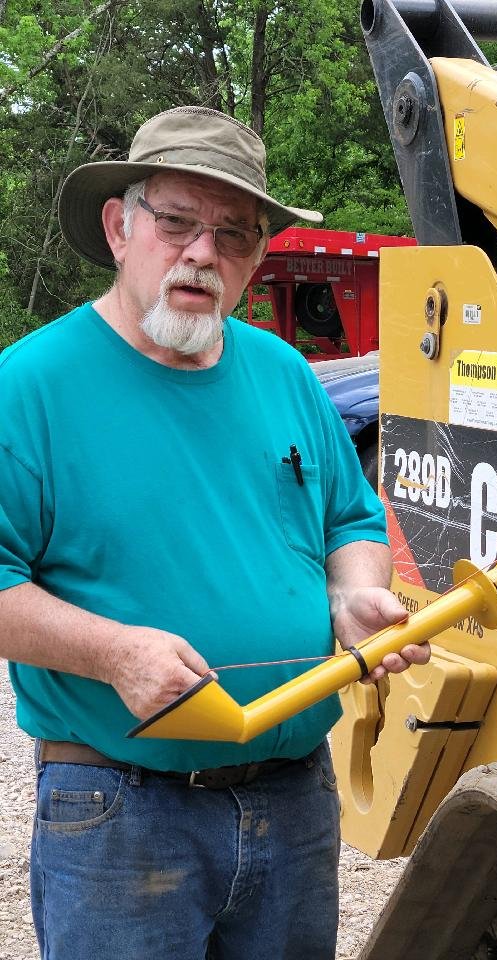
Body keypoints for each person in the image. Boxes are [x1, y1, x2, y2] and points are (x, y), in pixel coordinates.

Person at [0, 106, 430, 959]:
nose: (203, 252)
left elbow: (350, 516)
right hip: (123, 813)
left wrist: (352, 595)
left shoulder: (282, 371)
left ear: (256, 260)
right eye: (177, 223)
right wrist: (113, 654)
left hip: (294, 801)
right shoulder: (31, 385)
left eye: (233, 234)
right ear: (120, 228)